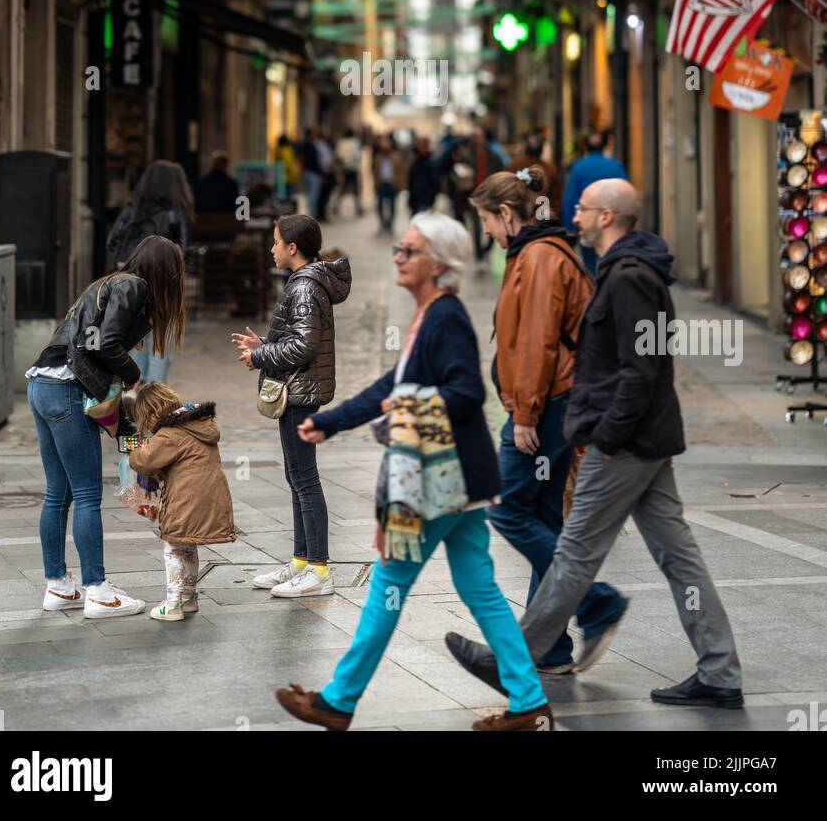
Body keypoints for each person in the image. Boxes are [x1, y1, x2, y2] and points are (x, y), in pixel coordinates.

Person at [446, 180, 745, 711]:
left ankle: (509, 658)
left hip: (624, 443)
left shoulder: (629, 278)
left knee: (574, 553)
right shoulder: (623, 272)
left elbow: (642, 370)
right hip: (642, 441)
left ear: (606, 217)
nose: (572, 215)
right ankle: (719, 671)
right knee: (679, 558)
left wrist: (606, 436)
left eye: (582, 209)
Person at [272, 213, 552, 732]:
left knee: (388, 585)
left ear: (440, 265)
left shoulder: (446, 317)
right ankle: (529, 702)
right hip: (460, 482)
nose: (398, 257)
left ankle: (337, 701)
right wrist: (331, 422)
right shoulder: (430, 313)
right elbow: (392, 384)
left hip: (438, 484)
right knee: (482, 590)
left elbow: (466, 392)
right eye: (399, 249)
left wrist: (405, 406)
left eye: (409, 251)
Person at [468, 167, 627, 672]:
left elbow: (537, 340)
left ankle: (596, 600)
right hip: (558, 401)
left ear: (508, 214)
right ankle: (550, 647)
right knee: (545, 517)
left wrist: (523, 412)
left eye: (487, 221)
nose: (486, 232)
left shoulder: (538, 256)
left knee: (509, 509)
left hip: (549, 403)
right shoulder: (537, 251)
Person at [26, 235, 186, 620]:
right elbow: (107, 345)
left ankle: (59, 587)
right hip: (65, 388)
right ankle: (98, 592)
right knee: (85, 494)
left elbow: (106, 386)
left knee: (57, 493)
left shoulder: (109, 282)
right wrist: (135, 376)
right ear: (165, 271)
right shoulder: (134, 286)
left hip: (42, 383)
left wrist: (134, 447)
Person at [232, 215, 351, 598]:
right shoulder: (306, 283)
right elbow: (299, 339)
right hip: (300, 390)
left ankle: (318, 568)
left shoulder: (303, 287)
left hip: (301, 393)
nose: (272, 248)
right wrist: (263, 343)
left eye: (276, 241)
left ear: (292, 248)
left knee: (305, 478)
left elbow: (304, 346)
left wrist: (260, 355)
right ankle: (301, 562)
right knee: (296, 476)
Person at [128, 382, 236, 621]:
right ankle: (189, 597)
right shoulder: (198, 424)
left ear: (152, 414)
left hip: (186, 501)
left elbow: (145, 461)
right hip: (211, 497)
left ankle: (173, 603)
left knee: (174, 547)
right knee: (188, 545)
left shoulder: (170, 434)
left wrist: (132, 450)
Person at [106, 160, 193, 383]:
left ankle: (136, 385)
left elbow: (111, 242)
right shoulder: (177, 211)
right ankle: (155, 391)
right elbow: (184, 248)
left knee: (135, 334)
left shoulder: (132, 208)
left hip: (128, 272)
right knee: (161, 334)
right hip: (163, 275)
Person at [561, 130, 628, 274]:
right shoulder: (615, 165)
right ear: (604, 146)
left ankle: (593, 289)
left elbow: (570, 198)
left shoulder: (578, 166)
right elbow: (626, 192)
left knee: (589, 260)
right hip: (611, 219)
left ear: (586, 147)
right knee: (611, 256)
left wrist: (569, 225)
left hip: (587, 219)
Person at [465, 126, 507, 264]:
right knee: (476, 226)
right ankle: (479, 255)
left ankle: (486, 249)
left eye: (480, 137)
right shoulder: (467, 155)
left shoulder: (492, 155)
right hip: (473, 194)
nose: (479, 140)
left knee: (492, 224)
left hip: (489, 195)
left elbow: (500, 170)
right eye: (476, 137)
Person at [508, 129, 562, 217]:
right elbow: (556, 199)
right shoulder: (550, 169)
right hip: (542, 218)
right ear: (542, 149)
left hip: (517, 217)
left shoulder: (514, 166)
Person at [373, 134, 405, 233]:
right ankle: (383, 221)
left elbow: (401, 172)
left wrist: (400, 184)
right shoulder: (378, 158)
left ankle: (390, 222)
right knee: (379, 205)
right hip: (381, 185)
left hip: (392, 185)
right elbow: (374, 171)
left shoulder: (396, 157)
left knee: (392, 205)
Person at [335, 128, 364, 217]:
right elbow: (358, 155)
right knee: (356, 190)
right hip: (353, 168)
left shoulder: (341, 142)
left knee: (342, 188)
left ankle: (336, 206)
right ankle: (358, 208)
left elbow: (337, 155)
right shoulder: (355, 142)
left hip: (343, 168)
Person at [407, 135, 439, 214]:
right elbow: (411, 181)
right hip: (415, 200)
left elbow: (435, 183)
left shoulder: (431, 162)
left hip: (425, 202)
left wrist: (429, 200)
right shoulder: (416, 161)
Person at [299, 129, 322, 218]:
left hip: (306, 172)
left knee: (308, 193)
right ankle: (311, 213)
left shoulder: (303, 145)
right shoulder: (312, 146)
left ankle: (309, 212)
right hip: (312, 172)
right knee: (313, 193)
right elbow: (315, 161)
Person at [314, 132, 337, 222]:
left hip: (324, 172)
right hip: (323, 172)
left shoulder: (321, 145)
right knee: (323, 195)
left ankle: (322, 213)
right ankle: (321, 214)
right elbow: (325, 160)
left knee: (323, 194)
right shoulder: (321, 146)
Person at [274, 133, 302, 201]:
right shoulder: (286, 150)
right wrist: (294, 172)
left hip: (281, 176)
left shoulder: (279, 150)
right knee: (288, 196)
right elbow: (288, 164)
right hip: (288, 176)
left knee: (283, 196)